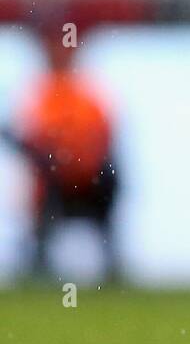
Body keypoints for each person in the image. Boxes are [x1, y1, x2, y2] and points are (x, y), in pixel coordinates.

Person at [5, 27, 120, 281]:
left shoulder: (86, 94)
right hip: (53, 182)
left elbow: (102, 137)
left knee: (108, 178)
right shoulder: (40, 94)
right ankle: (37, 264)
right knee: (43, 186)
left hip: (89, 181)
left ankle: (112, 266)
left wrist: (77, 159)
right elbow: (30, 139)